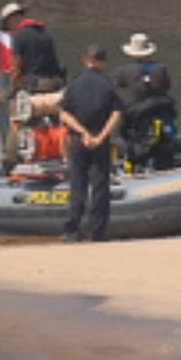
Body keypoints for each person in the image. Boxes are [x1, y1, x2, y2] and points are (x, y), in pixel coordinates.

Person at [59, 44, 124, 242]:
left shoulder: (74, 84)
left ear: (85, 60)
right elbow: (117, 113)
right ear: (102, 62)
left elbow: (64, 114)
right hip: (99, 139)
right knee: (100, 185)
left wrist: (83, 132)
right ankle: (96, 231)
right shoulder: (108, 84)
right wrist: (101, 136)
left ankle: (72, 230)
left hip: (78, 139)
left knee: (78, 185)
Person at [114, 32, 177, 173]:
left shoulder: (123, 72)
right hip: (162, 113)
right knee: (164, 146)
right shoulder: (161, 68)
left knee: (136, 145)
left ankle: (136, 168)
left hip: (137, 117)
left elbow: (118, 91)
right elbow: (167, 86)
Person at [0, 1, 65, 98]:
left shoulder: (20, 36)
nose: (10, 31)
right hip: (56, 82)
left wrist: (11, 92)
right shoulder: (44, 32)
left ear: (11, 19)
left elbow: (17, 70)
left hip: (37, 85)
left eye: (7, 26)